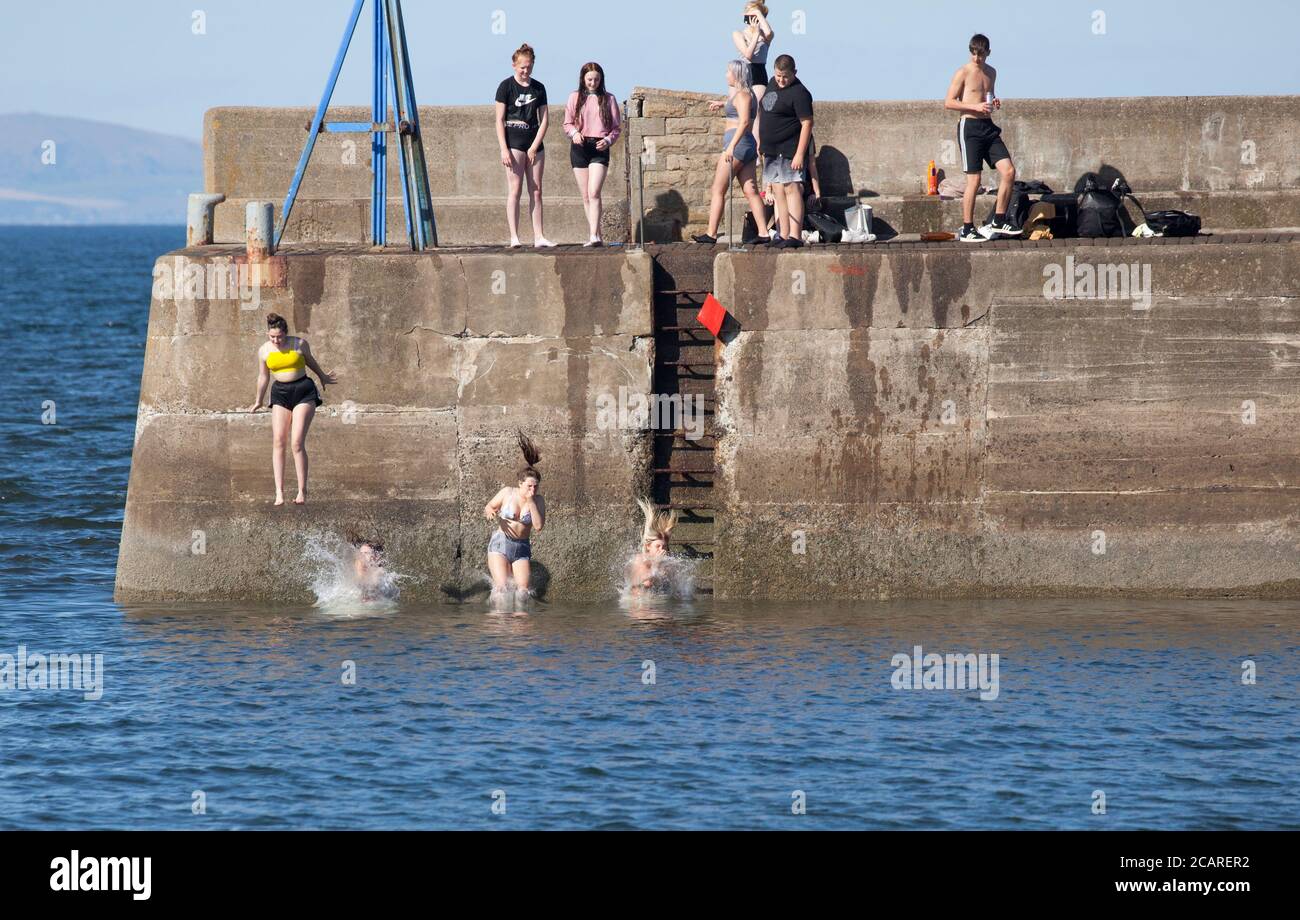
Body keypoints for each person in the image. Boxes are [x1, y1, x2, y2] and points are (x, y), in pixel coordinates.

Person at [247, 313, 337, 506]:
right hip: (280, 392)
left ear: (285, 333)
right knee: (279, 440)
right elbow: (263, 377)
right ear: (268, 334)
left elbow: (310, 362)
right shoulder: (264, 351)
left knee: (296, 442)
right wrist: (258, 400)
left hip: (303, 390)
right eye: (272, 337)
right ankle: (279, 492)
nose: (276, 340)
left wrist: (322, 376)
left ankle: (302, 491)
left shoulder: (299, 344)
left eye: (279, 336)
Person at [944, 33, 1018, 243]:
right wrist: (974, 107)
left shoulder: (992, 72)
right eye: (974, 54)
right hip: (970, 128)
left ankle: (999, 219)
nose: (977, 58)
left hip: (988, 127)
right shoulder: (963, 73)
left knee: (1009, 171)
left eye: (981, 54)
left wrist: (994, 103)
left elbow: (989, 94)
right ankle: (967, 228)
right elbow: (949, 102)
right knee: (974, 180)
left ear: (988, 53)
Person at [692, 61, 770, 246]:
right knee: (751, 191)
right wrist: (722, 104)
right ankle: (764, 233)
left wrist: (730, 147)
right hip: (747, 146)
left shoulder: (743, 95)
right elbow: (738, 110)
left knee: (718, 190)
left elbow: (743, 122)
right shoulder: (745, 94)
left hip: (738, 146)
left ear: (737, 74)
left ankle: (711, 234)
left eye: (728, 71)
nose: (726, 74)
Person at [495, 43, 555, 249]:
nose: (526, 70)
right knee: (515, 189)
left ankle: (539, 236)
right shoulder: (505, 87)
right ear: (514, 65)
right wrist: (504, 148)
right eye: (522, 67)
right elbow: (499, 119)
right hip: (514, 141)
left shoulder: (539, 88)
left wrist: (534, 146)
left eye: (529, 66)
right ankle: (514, 236)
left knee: (536, 190)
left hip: (534, 141)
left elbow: (545, 119)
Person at [758, 54, 814, 249]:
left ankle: (795, 235)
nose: (781, 80)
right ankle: (782, 233)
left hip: (789, 149)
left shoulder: (800, 93)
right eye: (778, 75)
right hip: (770, 150)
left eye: (786, 76)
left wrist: (800, 154)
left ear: (794, 73)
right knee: (778, 188)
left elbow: (807, 123)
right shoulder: (772, 83)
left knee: (791, 188)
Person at [483, 432, 546, 603]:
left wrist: (531, 501)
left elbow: (539, 526)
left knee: (523, 593)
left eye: (536, 487)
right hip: (501, 543)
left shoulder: (538, 500)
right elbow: (489, 506)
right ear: (520, 484)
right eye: (529, 486)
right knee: (502, 589)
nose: (532, 490)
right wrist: (490, 512)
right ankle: (499, 625)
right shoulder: (507, 493)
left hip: (521, 548)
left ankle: (520, 627)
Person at [564, 62, 622, 247]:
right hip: (580, 147)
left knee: (594, 191)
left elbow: (616, 128)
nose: (593, 83)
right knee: (586, 196)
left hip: (599, 147)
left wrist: (608, 141)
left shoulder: (609, 98)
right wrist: (574, 134)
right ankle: (595, 234)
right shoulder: (575, 97)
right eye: (589, 79)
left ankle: (593, 235)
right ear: (583, 79)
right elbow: (567, 123)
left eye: (596, 79)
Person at [732, 2, 775, 140]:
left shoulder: (765, 35)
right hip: (744, 71)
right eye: (749, 13)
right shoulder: (738, 33)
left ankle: (756, 151)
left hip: (759, 72)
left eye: (755, 15)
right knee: (741, 111)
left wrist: (759, 16)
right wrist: (755, 35)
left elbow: (769, 32)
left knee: (757, 112)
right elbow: (748, 54)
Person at [626, 498, 679, 595]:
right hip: (639, 604)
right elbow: (647, 584)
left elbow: (674, 587)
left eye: (664, 547)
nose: (662, 549)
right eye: (658, 546)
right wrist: (657, 563)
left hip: (656, 603)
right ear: (648, 546)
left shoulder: (667, 563)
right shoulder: (640, 560)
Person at [344, 528, 388, 602]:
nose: (362, 556)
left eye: (366, 553)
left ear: (375, 556)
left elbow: (372, 586)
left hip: (375, 605)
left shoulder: (379, 571)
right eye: (361, 553)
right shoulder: (358, 564)